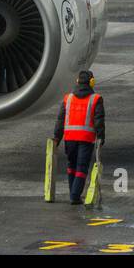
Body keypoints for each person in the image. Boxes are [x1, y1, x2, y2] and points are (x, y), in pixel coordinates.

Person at [53, 70, 105, 205]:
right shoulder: (96, 99)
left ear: (77, 82)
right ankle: (75, 196)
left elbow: (60, 120)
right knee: (82, 167)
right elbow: (99, 120)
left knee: (72, 165)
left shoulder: (68, 98)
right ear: (91, 82)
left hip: (69, 138)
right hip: (86, 138)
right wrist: (101, 137)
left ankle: (73, 193)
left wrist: (57, 137)